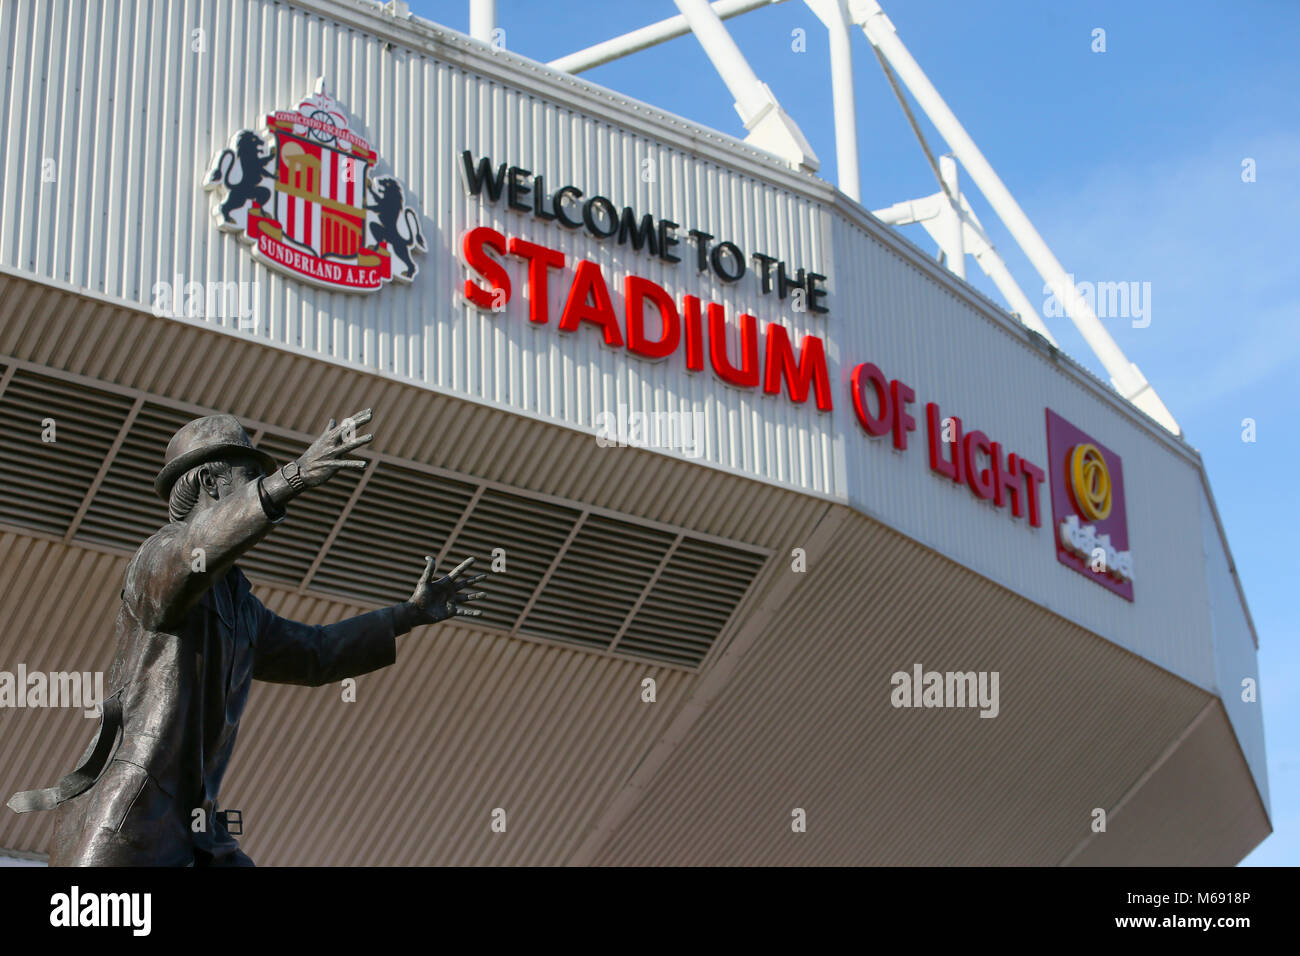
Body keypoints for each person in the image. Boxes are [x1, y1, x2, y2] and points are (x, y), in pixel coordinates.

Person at [8, 409, 484, 866]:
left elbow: (316, 653)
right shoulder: (157, 560)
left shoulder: (239, 604)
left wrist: (409, 615)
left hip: (195, 830)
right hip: (129, 822)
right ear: (211, 481)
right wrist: (291, 478)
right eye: (246, 476)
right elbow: (198, 547)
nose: (255, 486)